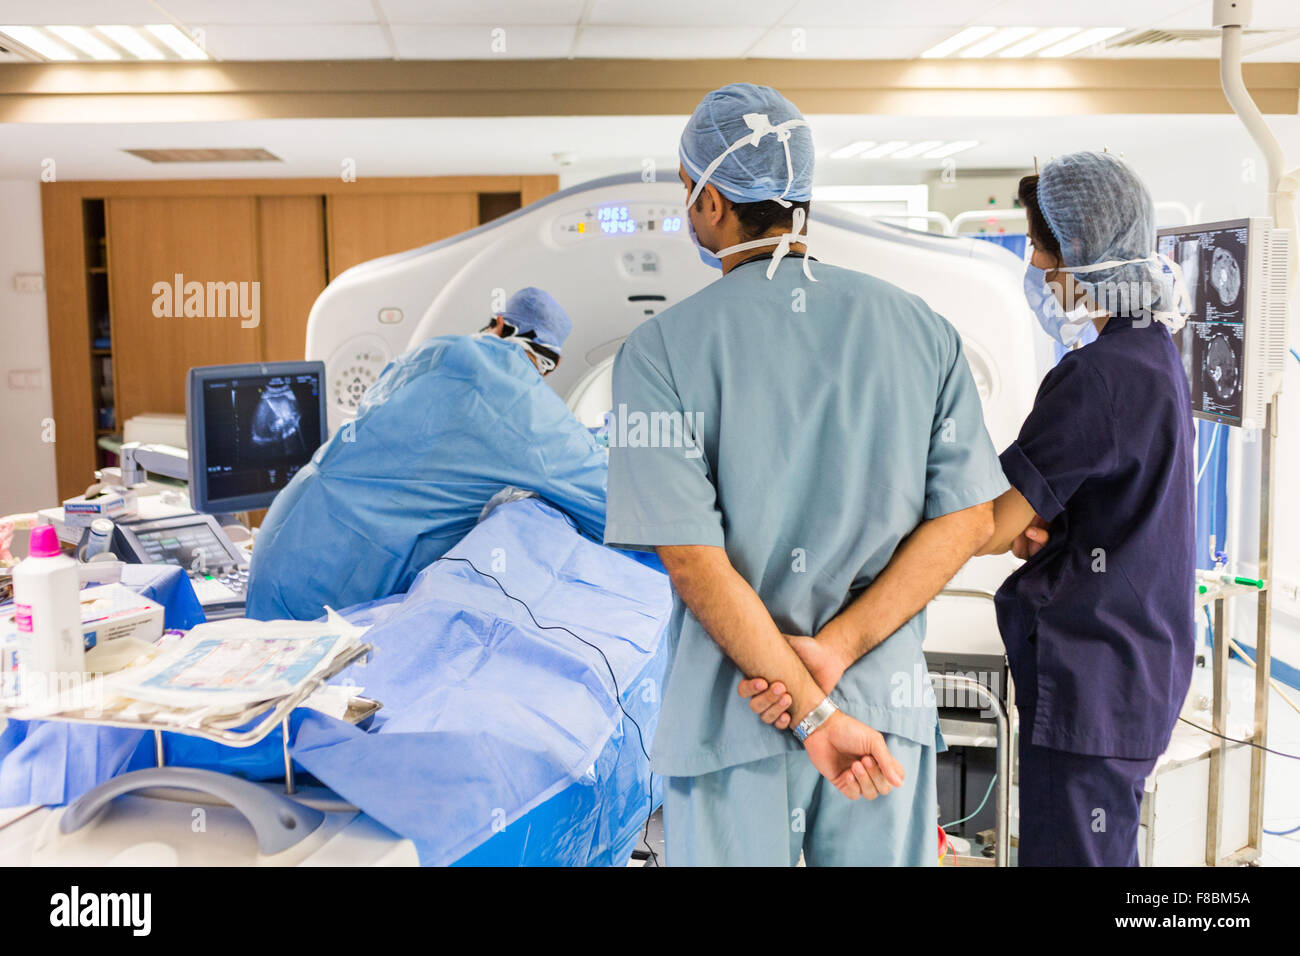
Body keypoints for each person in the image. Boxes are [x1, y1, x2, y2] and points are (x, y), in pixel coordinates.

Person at [604, 82, 1008, 866]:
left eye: (689, 195)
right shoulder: (922, 331)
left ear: (712, 203)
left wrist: (808, 704)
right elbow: (968, 519)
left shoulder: (660, 352)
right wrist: (836, 652)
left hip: (736, 715)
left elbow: (692, 558)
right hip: (878, 707)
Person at [976, 151, 1196, 866]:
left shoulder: (1095, 376)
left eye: (1044, 246)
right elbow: (1118, 499)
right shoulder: (1153, 354)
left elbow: (991, 525)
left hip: (1095, 686)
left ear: (1086, 250)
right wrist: (1060, 529)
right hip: (1133, 672)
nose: (1038, 266)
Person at [246, 287, 607, 621]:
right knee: (315, 675)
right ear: (553, 363)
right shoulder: (519, 397)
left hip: (289, 532)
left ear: (498, 322)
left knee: (266, 677)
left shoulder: (434, 352)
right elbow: (604, 497)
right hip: (336, 573)